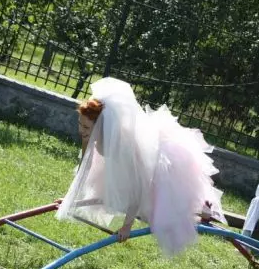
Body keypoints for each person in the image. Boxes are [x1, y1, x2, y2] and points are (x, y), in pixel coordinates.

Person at [56, 77, 226, 256]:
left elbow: (137, 188)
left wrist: (127, 226)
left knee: (172, 204)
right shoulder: (95, 136)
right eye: (79, 124)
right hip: (131, 162)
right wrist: (71, 201)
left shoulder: (123, 146)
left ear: (102, 127)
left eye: (86, 127)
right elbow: (85, 167)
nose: (81, 130)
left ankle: (205, 210)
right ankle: (204, 209)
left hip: (157, 167)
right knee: (109, 187)